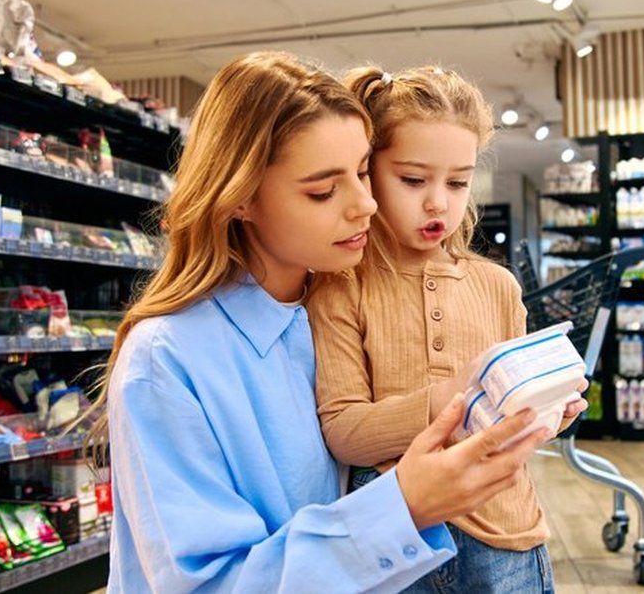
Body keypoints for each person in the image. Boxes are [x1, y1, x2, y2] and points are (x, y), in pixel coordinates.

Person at [86, 51, 553, 593]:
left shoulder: (325, 310)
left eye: (362, 172)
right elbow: (208, 584)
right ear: (240, 198)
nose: (366, 205)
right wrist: (404, 506)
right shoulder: (166, 360)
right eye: (323, 190)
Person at [308, 65, 587, 593]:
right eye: (413, 180)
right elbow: (344, 432)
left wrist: (553, 409)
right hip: (398, 540)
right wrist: (446, 399)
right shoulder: (340, 286)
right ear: (367, 173)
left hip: (508, 533)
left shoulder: (499, 286)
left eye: (458, 181)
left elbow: (519, 421)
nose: (439, 201)